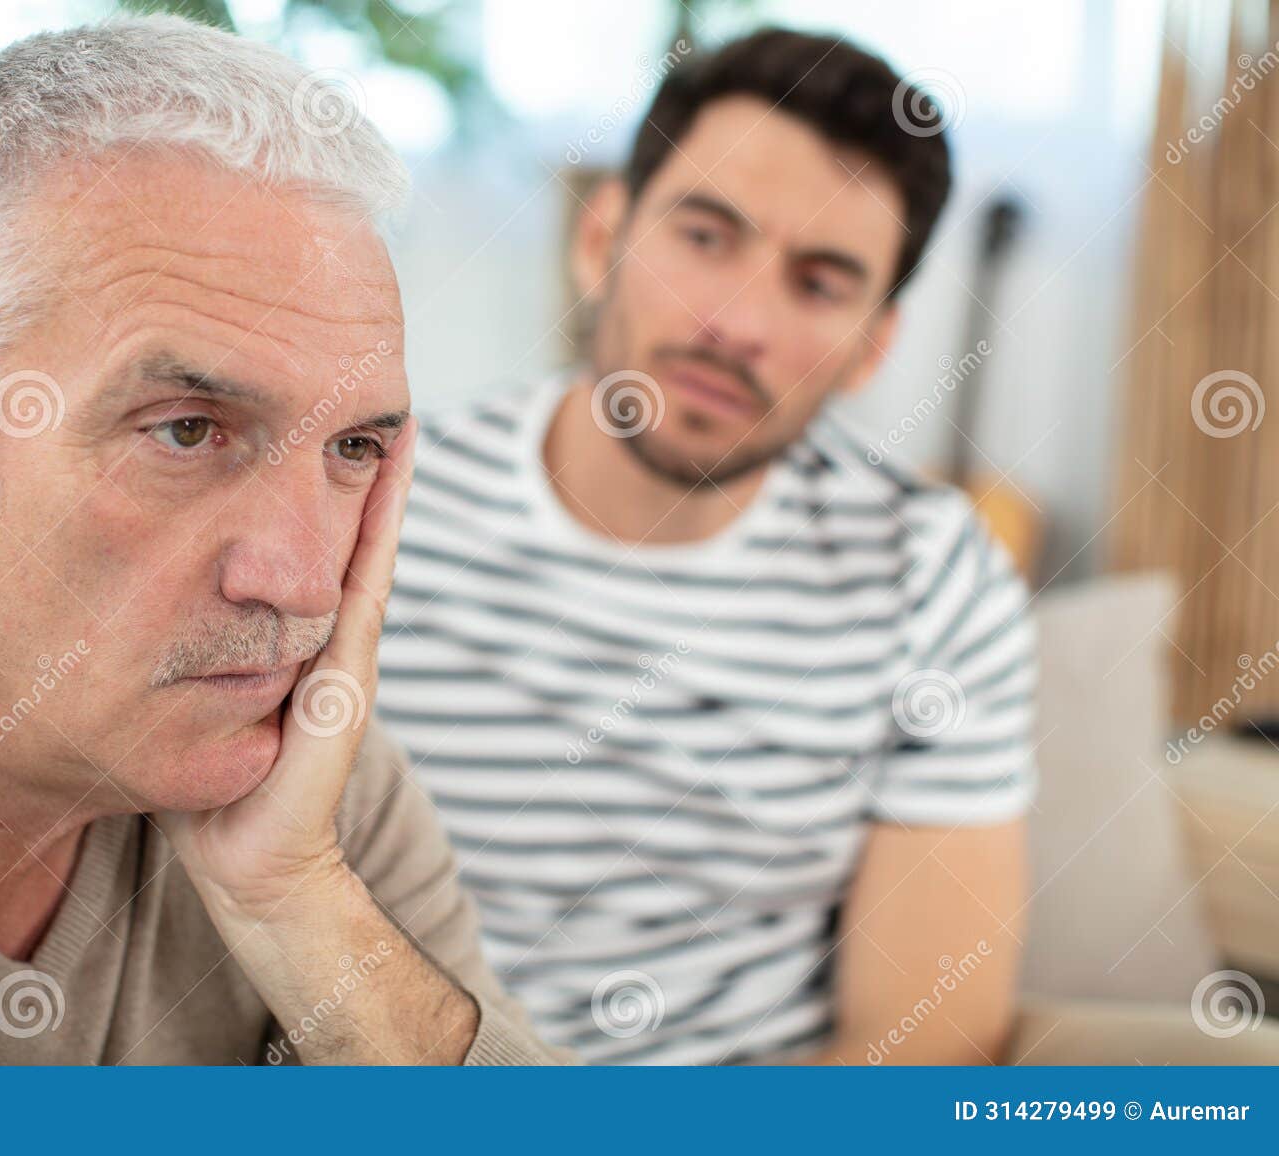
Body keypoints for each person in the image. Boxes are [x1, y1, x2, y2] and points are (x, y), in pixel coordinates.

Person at [0, 16, 567, 1066]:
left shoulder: (304, 783)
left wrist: (295, 904)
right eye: (185, 431)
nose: (298, 582)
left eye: (353, 447)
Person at [375, 28, 1036, 1065]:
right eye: (705, 236)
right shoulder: (376, 502)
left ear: (871, 347)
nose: (737, 322)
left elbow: (916, 1058)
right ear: (600, 238)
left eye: (818, 282)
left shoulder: (931, 574)